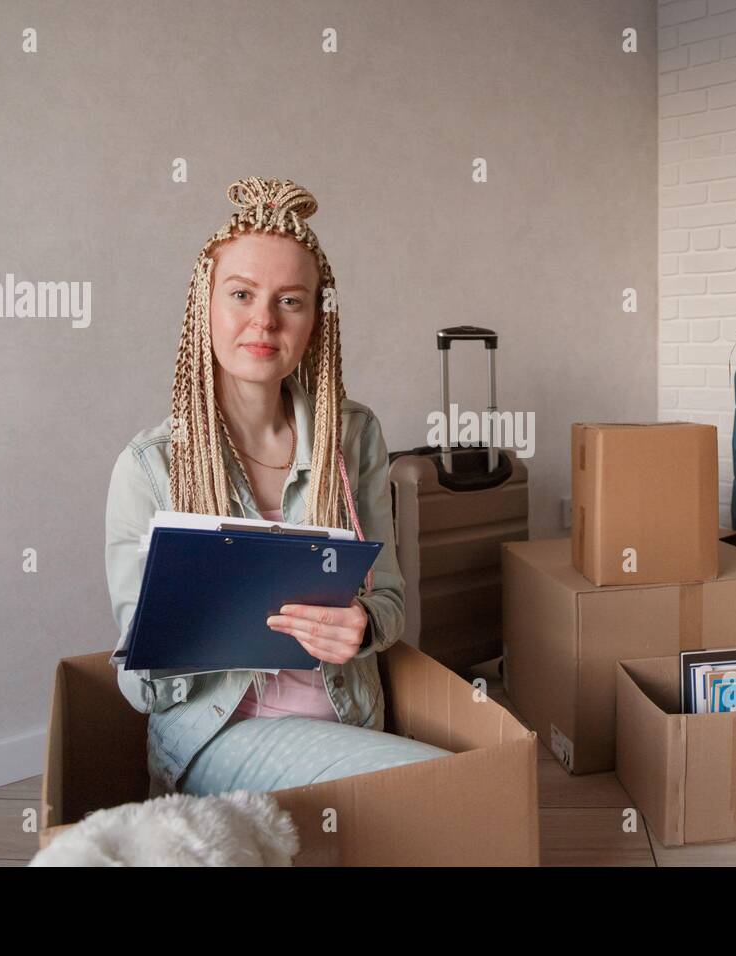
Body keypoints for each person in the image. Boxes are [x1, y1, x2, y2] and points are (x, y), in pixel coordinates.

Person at [104, 176, 449, 798]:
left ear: (316, 321)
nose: (264, 320)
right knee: (444, 788)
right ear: (204, 306)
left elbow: (392, 602)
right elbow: (139, 689)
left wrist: (363, 625)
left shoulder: (355, 436)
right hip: (218, 739)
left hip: (347, 721)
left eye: (291, 301)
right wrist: (180, 634)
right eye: (241, 294)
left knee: (446, 793)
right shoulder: (148, 467)